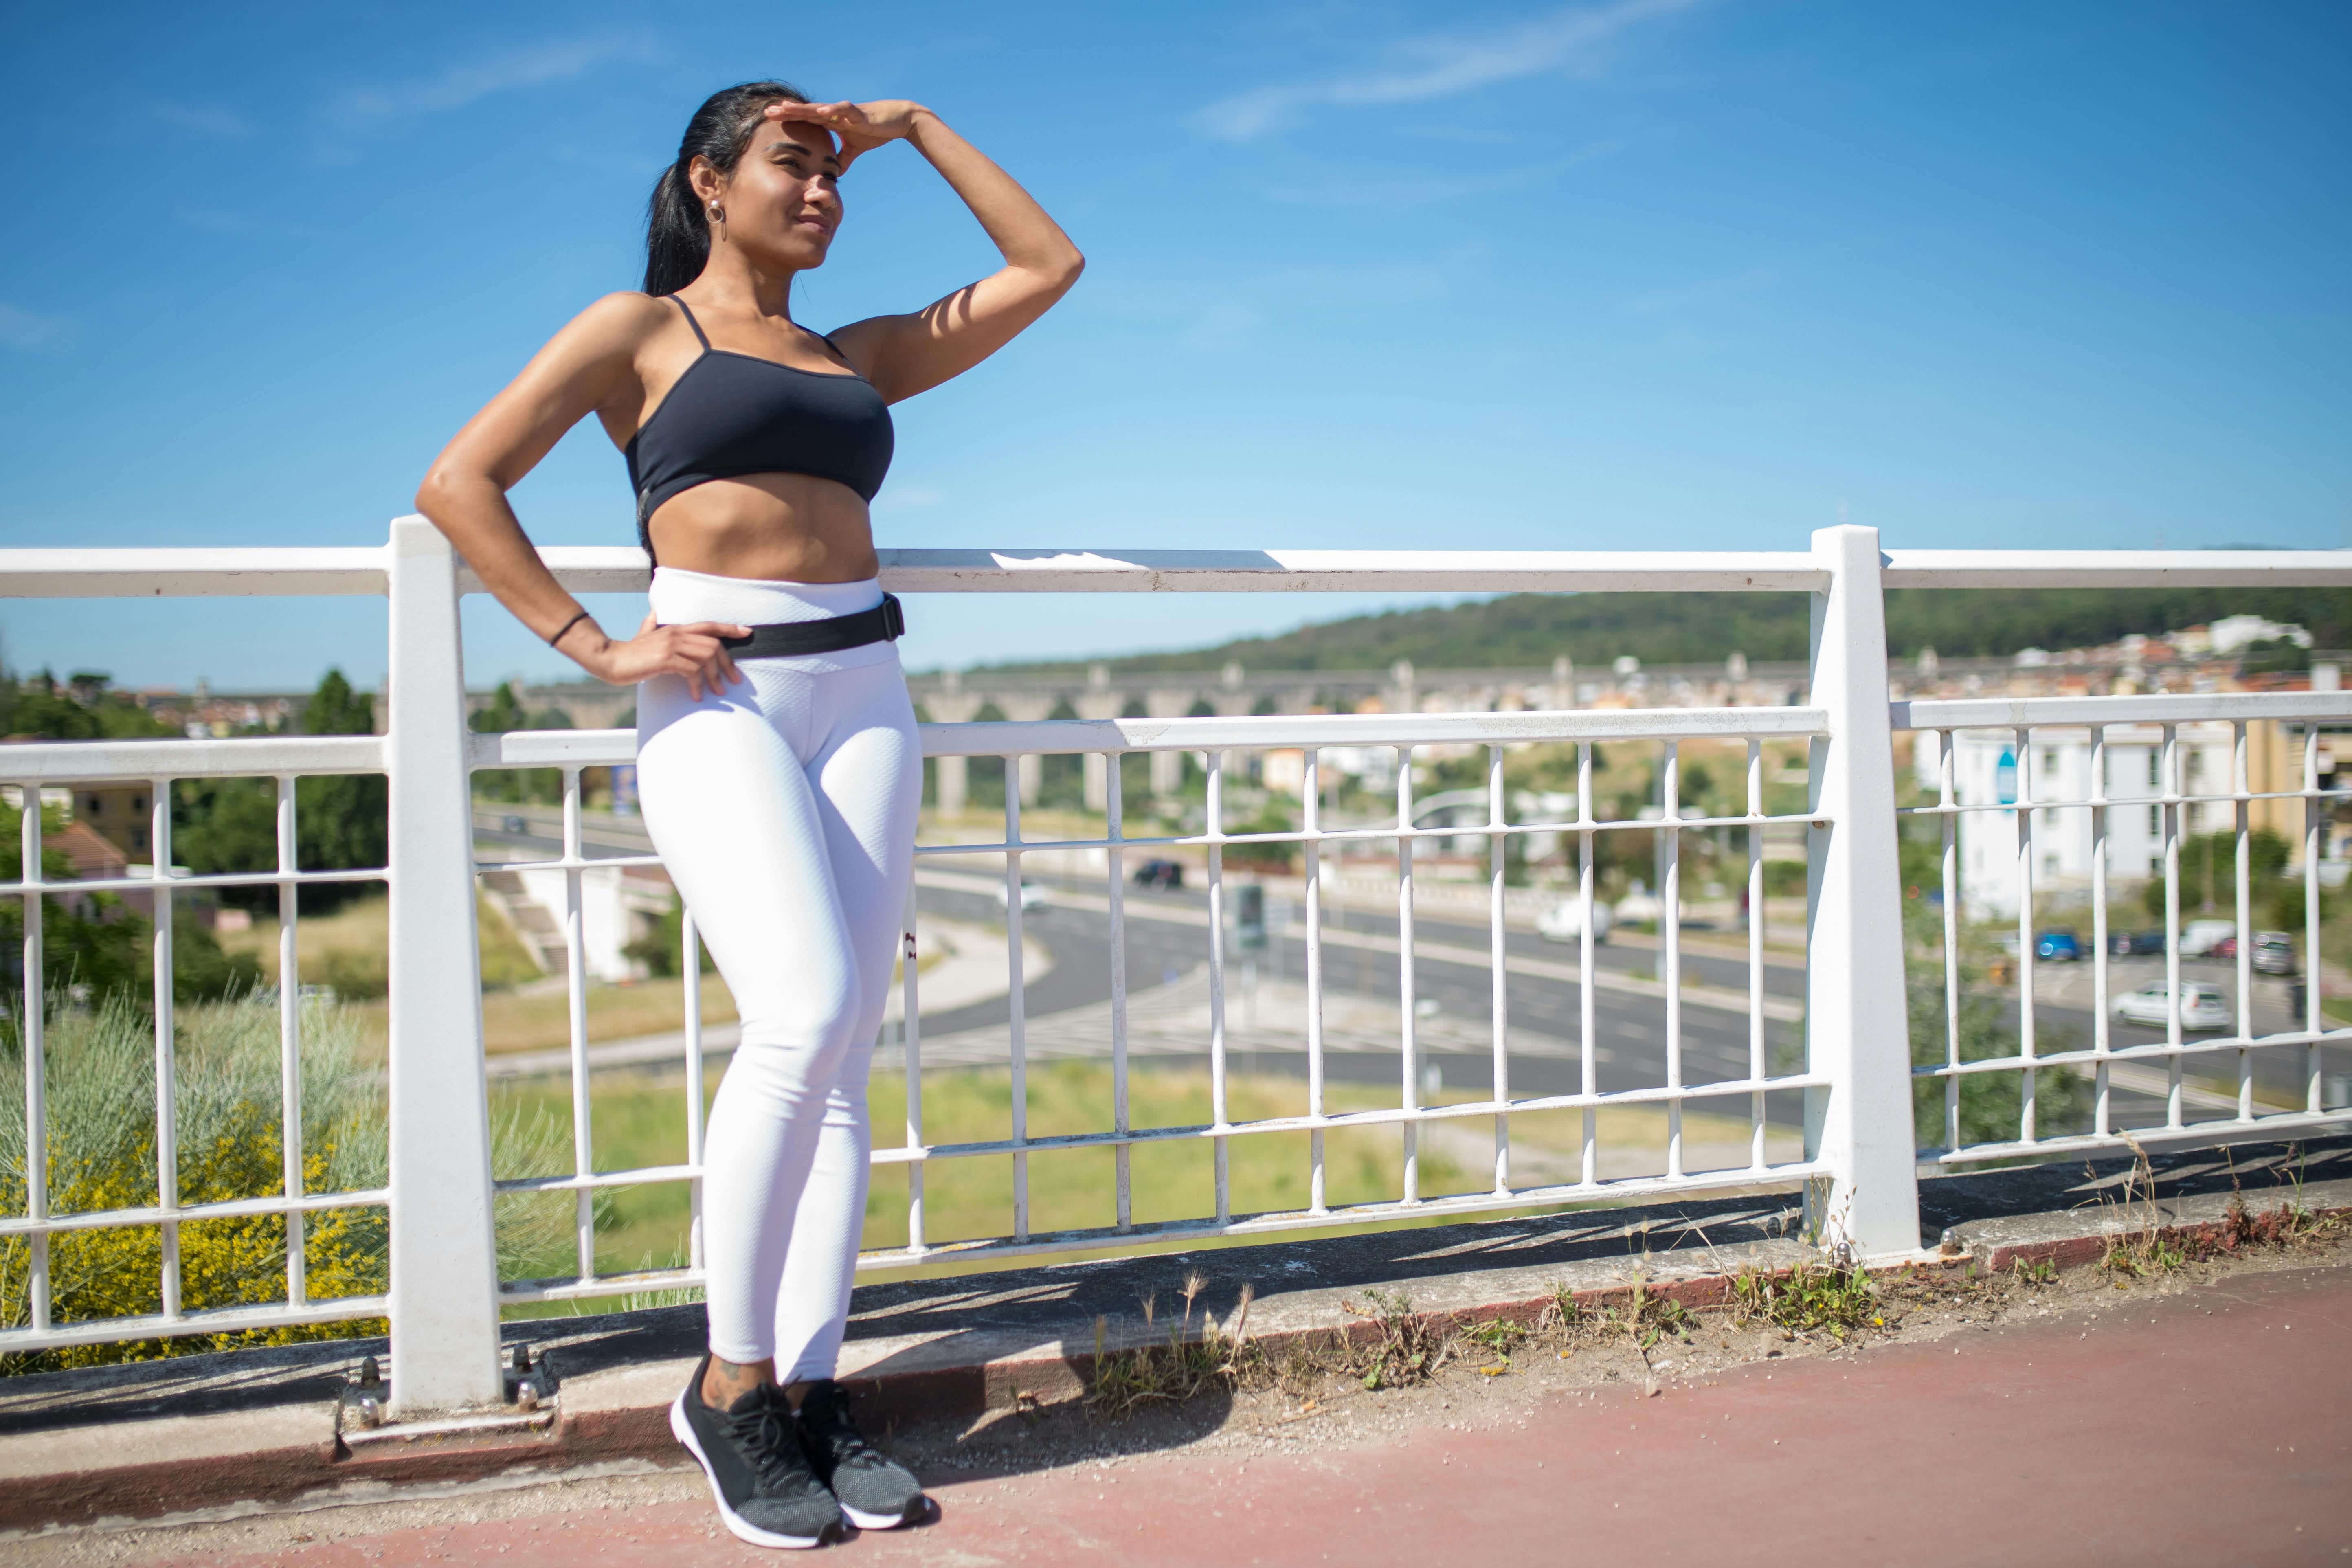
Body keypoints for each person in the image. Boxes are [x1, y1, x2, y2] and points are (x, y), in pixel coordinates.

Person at [416, 81, 1082, 1549]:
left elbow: (1046, 269)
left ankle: (814, 1389)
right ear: (709, 182)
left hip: (866, 694)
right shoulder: (639, 330)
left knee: (845, 1054)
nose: (824, 187)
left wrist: (912, 130)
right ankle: (727, 1385)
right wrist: (593, 646)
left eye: (836, 169)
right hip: (717, 701)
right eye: (797, 161)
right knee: (804, 1011)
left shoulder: (851, 358)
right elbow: (461, 482)